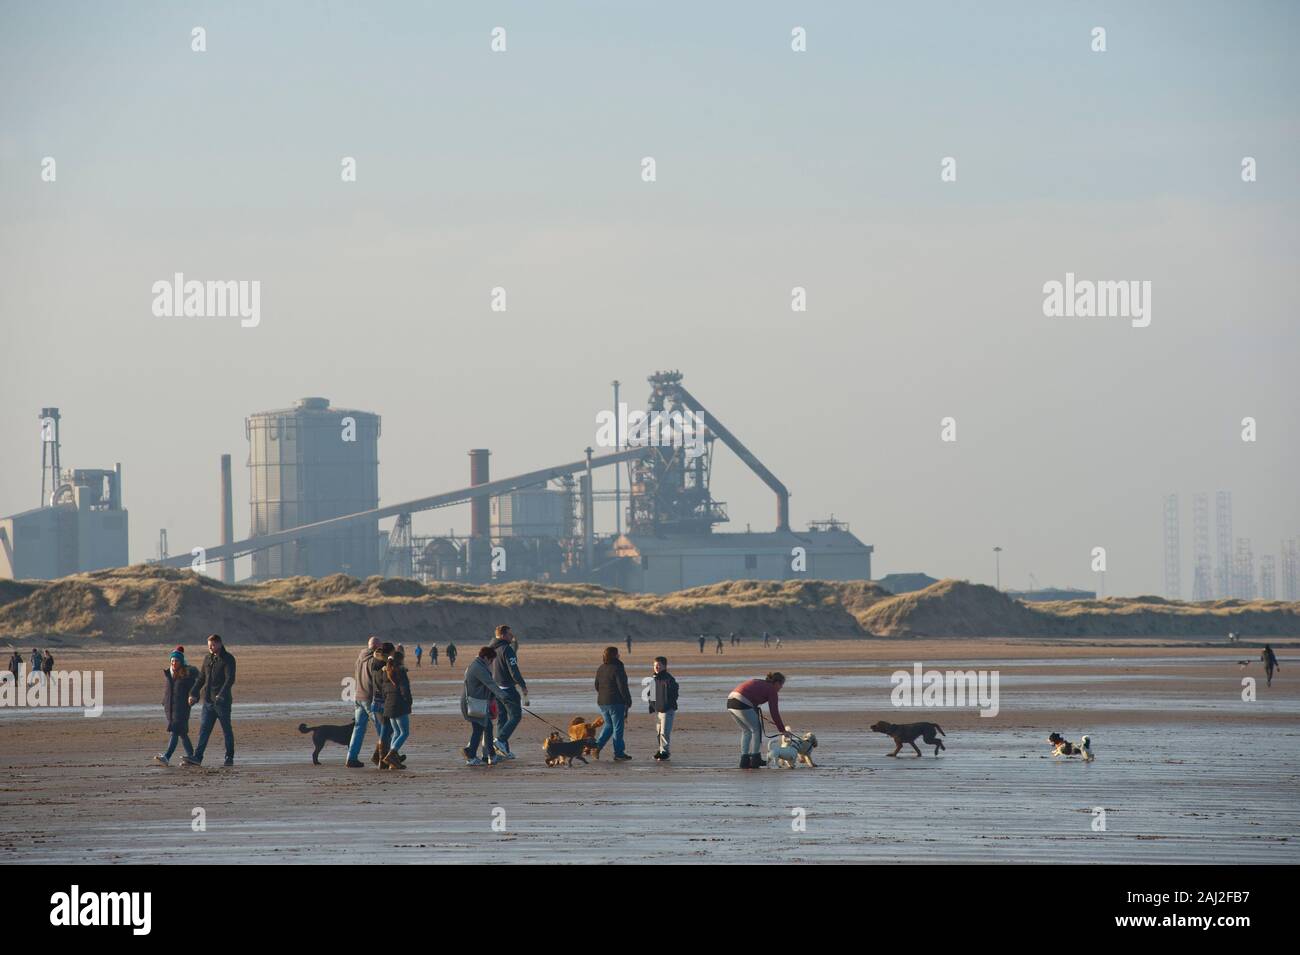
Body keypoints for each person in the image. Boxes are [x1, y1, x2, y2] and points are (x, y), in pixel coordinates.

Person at [182, 634, 236, 768]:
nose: (210, 648)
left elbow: (230, 679)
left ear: (219, 644)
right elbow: (201, 678)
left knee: (226, 730)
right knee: (204, 730)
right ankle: (197, 757)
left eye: (212, 645)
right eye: (209, 645)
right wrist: (193, 693)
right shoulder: (207, 659)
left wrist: (221, 694)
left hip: (222, 703)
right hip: (208, 702)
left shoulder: (228, 659)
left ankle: (229, 757)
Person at [727, 672, 790, 769]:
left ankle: (744, 760)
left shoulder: (760, 682)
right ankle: (755, 759)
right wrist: (782, 730)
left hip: (730, 701)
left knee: (746, 730)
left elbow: (752, 696)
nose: (781, 688)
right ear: (776, 683)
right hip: (742, 702)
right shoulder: (772, 690)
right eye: (781, 685)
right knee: (756, 729)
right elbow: (774, 712)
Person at [461, 646, 509, 765]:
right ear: (486, 657)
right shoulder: (478, 667)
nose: (491, 663)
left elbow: (488, 686)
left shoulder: (478, 665)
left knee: (487, 728)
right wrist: (504, 696)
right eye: (491, 660)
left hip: (477, 703)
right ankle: (471, 756)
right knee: (478, 730)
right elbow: (490, 684)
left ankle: (490, 756)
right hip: (474, 704)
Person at [488, 624, 529, 760]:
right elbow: (514, 671)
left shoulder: (491, 648)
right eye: (510, 634)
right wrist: (522, 685)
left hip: (495, 688)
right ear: (504, 635)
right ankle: (500, 739)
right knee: (516, 716)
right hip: (507, 689)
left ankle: (503, 749)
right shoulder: (507, 649)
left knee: (502, 719)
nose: (512, 636)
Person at [154, 647, 197, 766]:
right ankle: (192, 757)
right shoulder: (169, 674)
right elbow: (168, 691)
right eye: (172, 660)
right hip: (170, 708)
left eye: (176, 661)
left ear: (181, 662)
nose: (174, 663)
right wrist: (164, 701)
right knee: (182, 733)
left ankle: (167, 756)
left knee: (174, 731)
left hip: (182, 709)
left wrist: (193, 697)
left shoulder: (187, 675)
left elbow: (194, 690)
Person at [345, 636, 380, 768]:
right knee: (382, 728)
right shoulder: (374, 660)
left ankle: (351, 758)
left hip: (358, 697)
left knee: (358, 729)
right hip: (369, 698)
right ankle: (386, 756)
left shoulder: (360, 658)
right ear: (377, 647)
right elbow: (376, 681)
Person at [594, 646, 633, 761]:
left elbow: (596, 685)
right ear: (615, 655)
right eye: (618, 653)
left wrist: (604, 695)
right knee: (617, 728)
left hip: (602, 702)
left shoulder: (601, 668)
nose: (619, 655)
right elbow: (622, 686)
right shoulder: (618, 667)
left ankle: (596, 747)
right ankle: (619, 753)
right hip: (616, 702)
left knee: (609, 726)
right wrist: (628, 700)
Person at [380, 652, 412, 770]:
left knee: (397, 732)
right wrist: (408, 702)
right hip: (399, 705)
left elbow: (383, 690)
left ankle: (392, 759)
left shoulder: (385, 672)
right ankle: (391, 755)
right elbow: (405, 689)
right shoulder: (400, 672)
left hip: (389, 705)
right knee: (404, 732)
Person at [368, 643, 396, 765]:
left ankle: (378, 756)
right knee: (387, 730)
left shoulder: (375, 663)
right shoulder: (383, 668)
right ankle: (381, 759)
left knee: (386, 730)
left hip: (376, 702)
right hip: (383, 702)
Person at [648, 656, 679, 761]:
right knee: (658, 732)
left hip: (667, 710)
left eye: (659, 665)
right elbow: (650, 695)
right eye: (655, 665)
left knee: (664, 732)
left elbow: (674, 693)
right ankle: (660, 750)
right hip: (658, 710)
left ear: (664, 666)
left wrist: (667, 705)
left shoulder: (669, 679)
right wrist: (652, 706)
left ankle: (665, 752)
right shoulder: (654, 679)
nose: (656, 667)